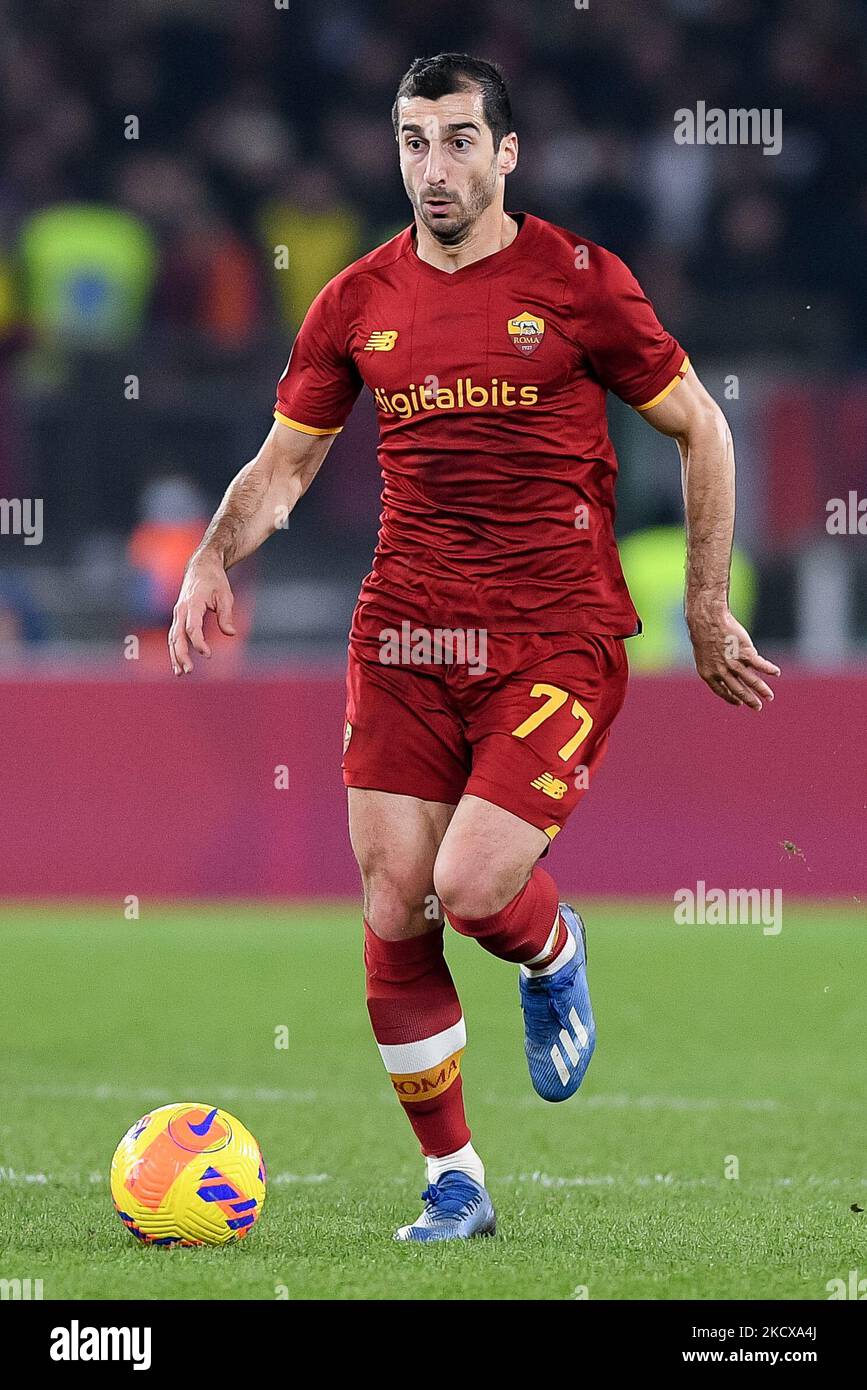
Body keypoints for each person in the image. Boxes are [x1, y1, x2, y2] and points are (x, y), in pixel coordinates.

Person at [169, 53, 779, 1243]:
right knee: (397, 902)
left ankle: (552, 948)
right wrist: (209, 558)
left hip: (552, 635)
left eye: (457, 141)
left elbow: (703, 429)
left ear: (506, 154)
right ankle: (457, 1182)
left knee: (470, 885)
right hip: (403, 632)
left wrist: (705, 608)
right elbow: (285, 468)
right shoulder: (355, 300)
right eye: (411, 141)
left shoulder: (579, 281)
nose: (431, 167)